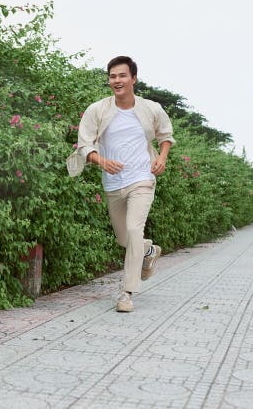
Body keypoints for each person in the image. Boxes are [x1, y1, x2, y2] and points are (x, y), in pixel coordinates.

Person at [67, 55, 174, 312]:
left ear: (133, 79)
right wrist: (101, 161)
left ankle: (126, 292)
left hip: (142, 179)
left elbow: (166, 135)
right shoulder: (98, 110)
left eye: (122, 75)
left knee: (134, 230)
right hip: (113, 182)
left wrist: (162, 157)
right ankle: (148, 252)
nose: (117, 80)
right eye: (113, 76)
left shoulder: (151, 108)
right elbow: (84, 146)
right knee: (125, 238)